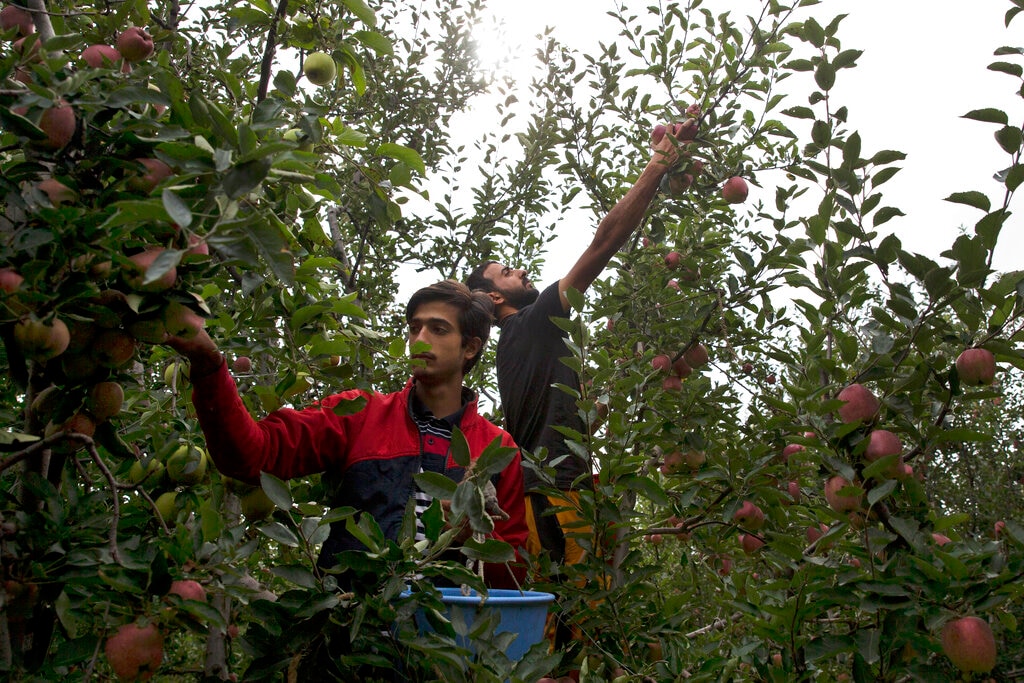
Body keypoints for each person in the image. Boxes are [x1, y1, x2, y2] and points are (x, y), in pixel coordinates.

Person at [465, 122, 689, 637]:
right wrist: (658, 164)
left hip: (555, 491)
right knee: (569, 626)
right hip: (554, 494)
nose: (521, 272)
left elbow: (565, 410)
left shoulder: (520, 346)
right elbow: (605, 240)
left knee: (577, 625)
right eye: (507, 273)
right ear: (496, 298)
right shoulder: (533, 321)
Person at [164, 279, 528, 589]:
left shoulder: (497, 448)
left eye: (438, 329)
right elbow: (251, 456)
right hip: (352, 640)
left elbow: (515, 574)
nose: (419, 339)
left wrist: (471, 539)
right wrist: (210, 367)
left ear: (470, 347)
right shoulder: (358, 414)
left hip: (448, 649)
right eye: (414, 327)